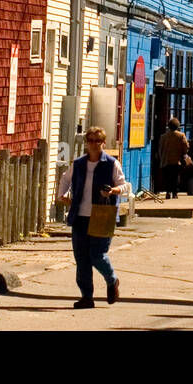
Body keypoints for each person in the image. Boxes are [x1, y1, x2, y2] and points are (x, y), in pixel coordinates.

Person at [57, 126, 130, 309]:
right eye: (90, 140)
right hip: (80, 216)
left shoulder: (111, 163)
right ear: (86, 143)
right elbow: (66, 178)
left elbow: (124, 186)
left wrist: (113, 191)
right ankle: (86, 297)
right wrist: (62, 194)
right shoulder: (79, 163)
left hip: (102, 215)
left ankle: (112, 280)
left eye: (98, 141)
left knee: (97, 256)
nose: (94, 144)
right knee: (82, 259)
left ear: (103, 143)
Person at [159, 118, 189, 198]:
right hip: (177, 160)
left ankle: (168, 192)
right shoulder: (181, 135)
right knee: (175, 177)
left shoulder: (163, 136)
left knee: (167, 177)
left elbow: (160, 148)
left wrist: (161, 157)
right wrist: (184, 153)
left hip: (166, 160)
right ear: (178, 126)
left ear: (169, 126)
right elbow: (186, 146)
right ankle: (175, 193)